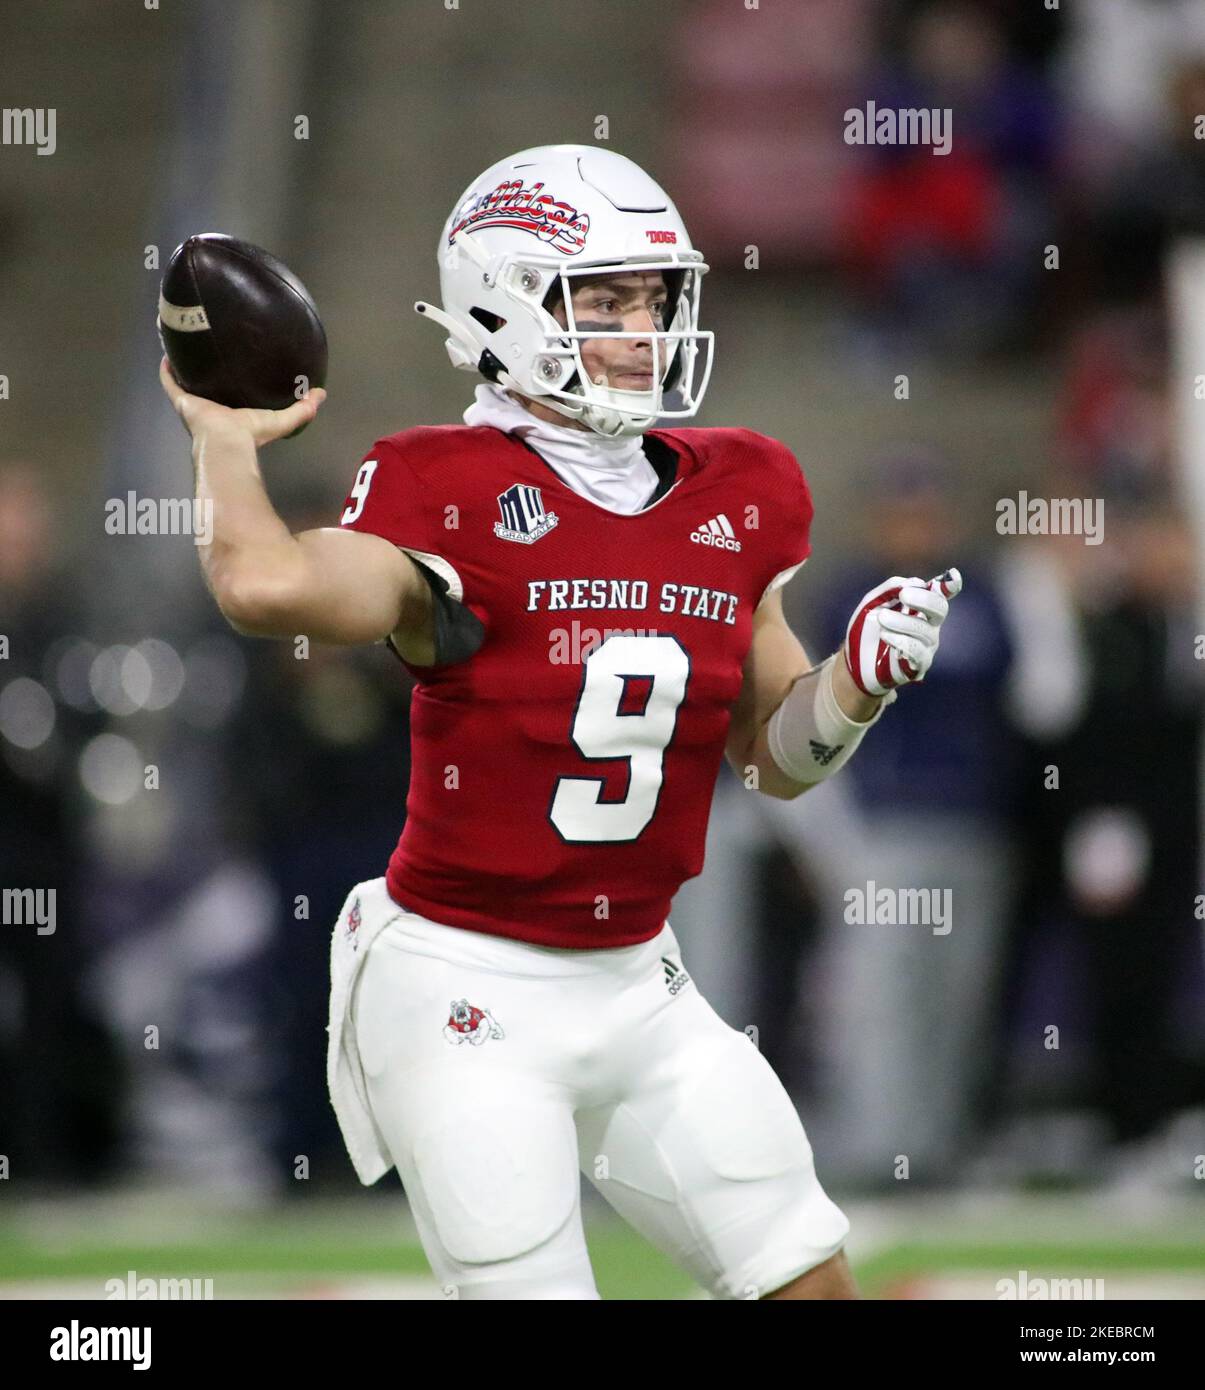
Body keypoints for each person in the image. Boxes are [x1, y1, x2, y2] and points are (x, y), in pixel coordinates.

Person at [159, 144, 961, 1300]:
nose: (642, 328)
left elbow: (777, 761)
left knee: (808, 1286)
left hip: (640, 978)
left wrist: (855, 683)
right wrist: (222, 441)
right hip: (462, 986)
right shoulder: (443, 483)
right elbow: (267, 587)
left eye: (653, 297)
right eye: (604, 300)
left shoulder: (739, 487)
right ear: (506, 301)